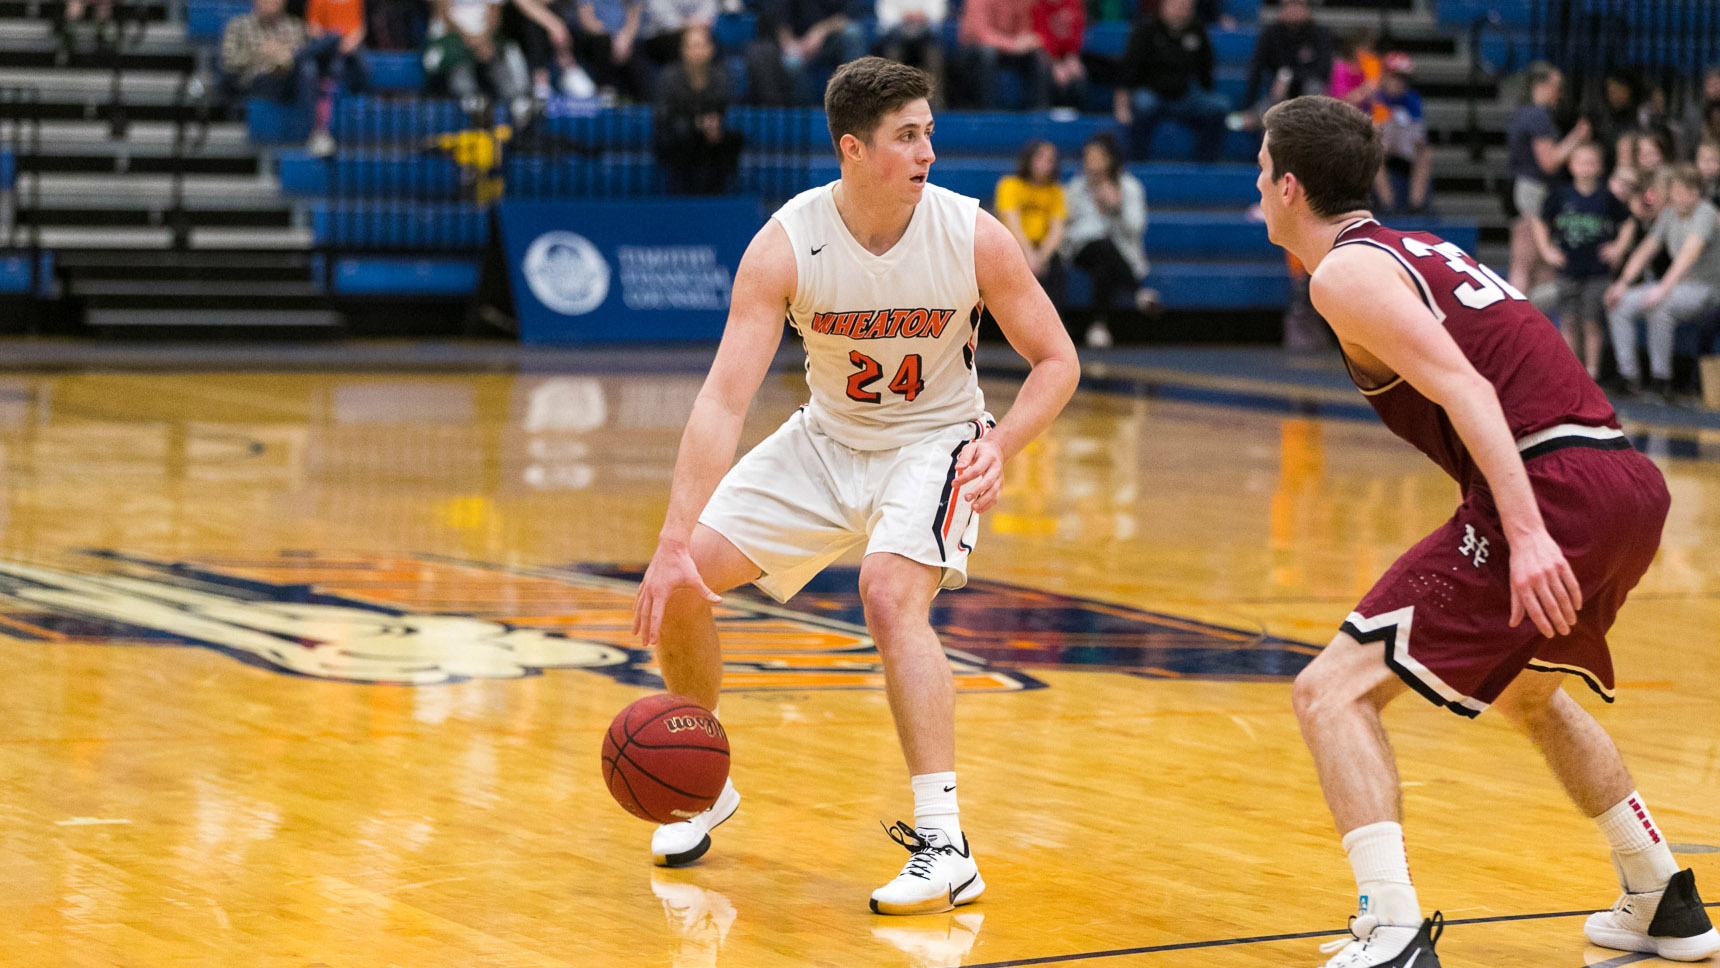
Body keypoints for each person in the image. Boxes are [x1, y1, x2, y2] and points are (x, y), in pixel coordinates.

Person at [1257, 95, 1718, 968]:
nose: (1255, 183)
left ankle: (1391, 930)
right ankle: (1661, 897)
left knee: (1331, 692)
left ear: (1289, 185)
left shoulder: (1343, 274)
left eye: (1261, 167)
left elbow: (1468, 389)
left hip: (1557, 486)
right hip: (1622, 478)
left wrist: (1530, 530)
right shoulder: (1414, 249)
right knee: (1528, 692)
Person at [631, 56, 1079, 915]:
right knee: (685, 578)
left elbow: (1058, 360)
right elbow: (723, 400)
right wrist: (671, 537)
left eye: (930, 133)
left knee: (887, 593)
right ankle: (700, 778)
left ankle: (946, 844)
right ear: (853, 148)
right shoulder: (788, 244)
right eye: (908, 137)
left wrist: (1003, 441)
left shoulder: (973, 234)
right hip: (826, 440)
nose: (928, 153)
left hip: (935, 441)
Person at [1605, 164, 1720, 400]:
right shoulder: (1669, 214)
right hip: (1679, 285)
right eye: (1673, 192)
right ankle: (1628, 376)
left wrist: (1662, 289)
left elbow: (1689, 254)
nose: (1674, 198)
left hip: (1707, 288)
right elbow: (1646, 249)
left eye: (1679, 192)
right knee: (1619, 302)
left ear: (1694, 192)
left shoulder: (1706, 214)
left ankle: (1661, 379)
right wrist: (1622, 283)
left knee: (1661, 304)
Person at [1532, 141, 1633, 379]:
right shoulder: (1561, 195)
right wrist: (1546, 250)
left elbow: (1628, 222)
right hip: (1568, 269)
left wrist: (1618, 247)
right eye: (1581, 163)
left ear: (1599, 167)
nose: (1586, 168)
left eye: (1591, 164)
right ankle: (1571, 372)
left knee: (1591, 322)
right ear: (1571, 166)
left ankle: (1592, 372)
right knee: (1568, 320)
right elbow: (1539, 220)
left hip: (1597, 271)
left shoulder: (1606, 197)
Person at [1061, 132, 1158, 348]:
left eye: (1097, 157)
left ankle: (1098, 325)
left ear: (1110, 160)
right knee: (1100, 246)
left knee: (1104, 263)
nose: (1091, 163)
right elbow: (1065, 226)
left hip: (1120, 252)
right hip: (1081, 250)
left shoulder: (1129, 186)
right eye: (1088, 157)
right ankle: (1138, 291)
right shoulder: (1077, 187)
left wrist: (1116, 208)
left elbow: (1136, 228)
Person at [1506, 63, 1592, 295]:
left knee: (1542, 267)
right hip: (1532, 190)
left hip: (1528, 190)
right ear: (1541, 85)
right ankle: (1517, 322)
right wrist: (1577, 137)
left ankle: (1535, 324)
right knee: (1525, 264)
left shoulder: (1525, 112)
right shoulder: (1538, 116)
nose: (1560, 93)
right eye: (1557, 86)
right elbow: (1549, 162)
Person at [1113, 0, 1227, 162]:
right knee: (1143, 103)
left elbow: (1207, 68)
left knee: (1218, 106)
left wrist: (1206, 90)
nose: (1182, 11)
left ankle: (1206, 164)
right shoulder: (1146, 30)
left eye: (1187, 8)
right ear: (1164, 7)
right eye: (1177, 7)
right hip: (1153, 93)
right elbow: (1129, 69)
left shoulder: (1197, 31)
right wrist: (1121, 105)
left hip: (1185, 95)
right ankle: (1138, 161)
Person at [654, 25, 743, 195]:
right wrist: (696, 123)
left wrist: (716, 124)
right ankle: (682, 195)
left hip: (714, 140)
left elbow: (730, 108)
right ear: (683, 50)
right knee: (681, 132)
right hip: (680, 140)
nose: (697, 51)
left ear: (711, 49)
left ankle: (720, 196)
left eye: (701, 45)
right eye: (692, 46)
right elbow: (663, 116)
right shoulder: (669, 77)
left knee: (732, 136)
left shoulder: (722, 77)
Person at [746, 0, 867, 106]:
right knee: (792, 64)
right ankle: (806, 114)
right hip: (796, 44)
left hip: (829, 41)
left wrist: (820, 32)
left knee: (853, 32)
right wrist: (792, 45)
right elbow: (779, 19)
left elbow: (847, 16)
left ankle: (852, 103)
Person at [1239, 0, 1332, 128]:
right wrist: (1249, 107)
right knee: (1265, 114)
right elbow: (1256, 69)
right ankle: (1269, 145)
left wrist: (1288, 76)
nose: (1292, 9)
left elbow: (1323, 71)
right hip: (1278, 95)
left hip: (1308, 95)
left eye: (1298, 4)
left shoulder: (1321, 34)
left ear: (1308, 9)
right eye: (1287, 4)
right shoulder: (1270, 34)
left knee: (1314, 87)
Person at [994, 140, 1067, 302]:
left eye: (1050, 160)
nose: (1045, 164)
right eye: (1040, 157)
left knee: (1057, 269)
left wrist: (1042, 257)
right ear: (1029, 159)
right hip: (1013, 245)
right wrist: (1027, 253)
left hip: (1043, 248)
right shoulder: (1009, 184)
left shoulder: (1056, 191)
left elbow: (1057, 230)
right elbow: (1012, 222)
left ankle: (1054, 323)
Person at [424, 0, 529, 104]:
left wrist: (485, 38)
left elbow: (495, 14)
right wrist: (468, 38)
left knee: (507, 52)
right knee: (458, 65)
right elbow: (443, 16)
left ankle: (517, 102)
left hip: (484, 36)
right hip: (451, 36)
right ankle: (470, 102)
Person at [957, 0, 1051, 110]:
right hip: (975, 50)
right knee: (987, 53)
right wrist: (1013, 45)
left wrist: (1027, 42)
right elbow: (980, 34)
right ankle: (988, 113)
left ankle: (1039, 116)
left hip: (1007, 50)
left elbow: (1023, 28)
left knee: (1036, 55)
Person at [1369, 52, 1429, 215]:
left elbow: (1419, 135)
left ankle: (1416, 205)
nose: (1399, 82)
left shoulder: (1413, 101)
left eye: (1403, 78)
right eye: (1395, 77)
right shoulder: (1374, 98)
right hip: (1382, 149)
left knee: (1426, 154)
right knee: (1375, 153)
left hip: (1405, 151)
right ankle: (1388, 205)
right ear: (1385, 77)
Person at [874, 0, 947, 86]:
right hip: (898, 33)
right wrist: (904, 17)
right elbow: (885, 15)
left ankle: (935, 96)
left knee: (934, 48)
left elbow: (938, 13)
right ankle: (894, 92)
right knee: (892, 48)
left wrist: (921, 16)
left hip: (925, 33)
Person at [1031, 0, 1087, 110]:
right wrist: (1054, 63)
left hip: (1067, 55)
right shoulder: (1036, 4)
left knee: (1079, 74)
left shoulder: (1074, 3)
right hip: (1045, 55)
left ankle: (1078, 118)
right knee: (1043, 68)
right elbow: (1040, 36)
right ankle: (1043, 115)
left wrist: (1072, 56)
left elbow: (1076, 32)